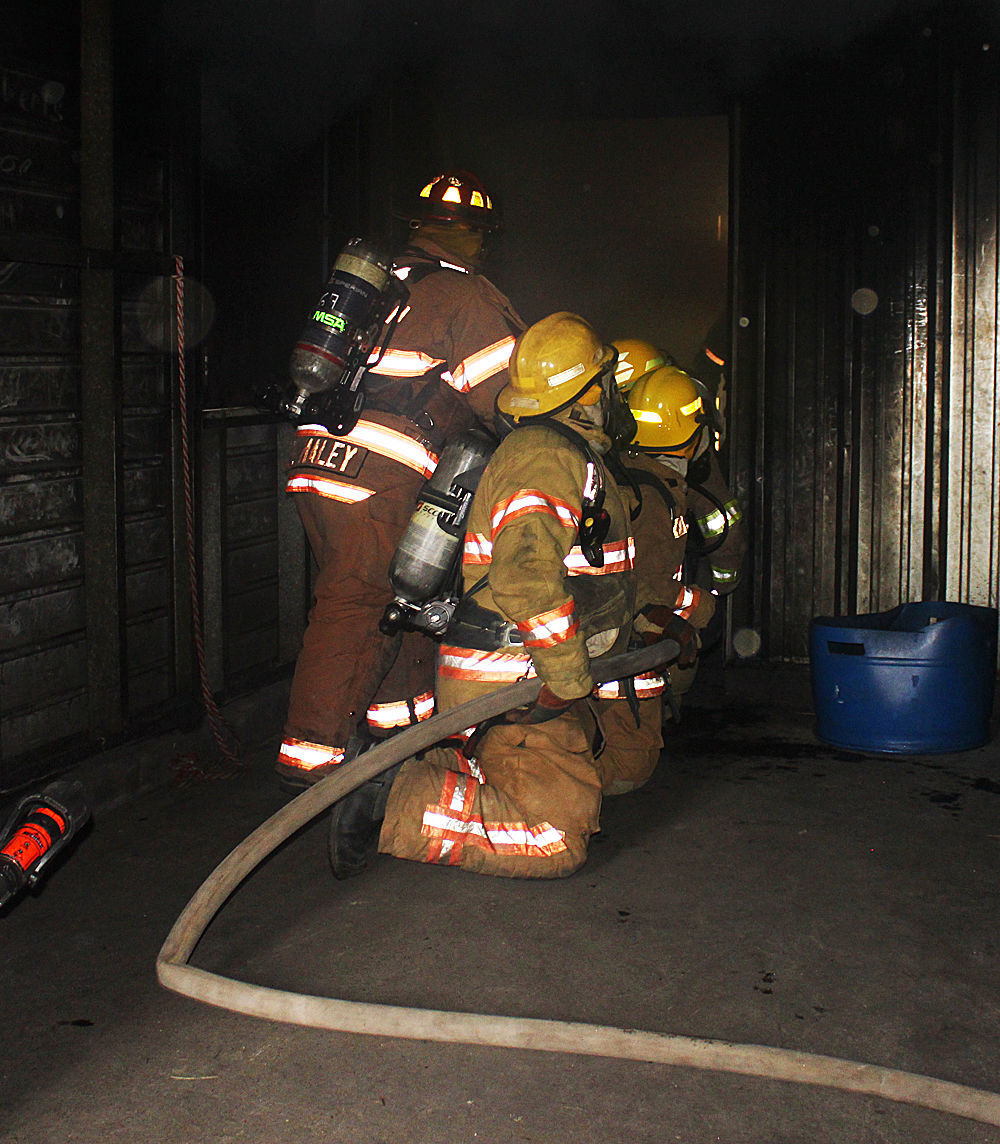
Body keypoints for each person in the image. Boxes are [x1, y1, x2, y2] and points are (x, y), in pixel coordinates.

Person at [328, 312, 638, 879]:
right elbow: (525, 576)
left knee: (571, 785)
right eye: (605, 381)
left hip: (524, 667)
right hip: (516, 674)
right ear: (586, 391)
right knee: (552, 842)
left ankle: (449, 768)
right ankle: (397, 794)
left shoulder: (562, 452)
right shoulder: (547, 456)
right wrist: (565, 682)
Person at [275, 170, 525, 790]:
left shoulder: (382, 286)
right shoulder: (467, 299)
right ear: (479, 238)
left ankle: (397, 744)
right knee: (356, 605)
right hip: (379, 476)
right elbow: (512, 401)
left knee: (400, 605)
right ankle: (311, 766)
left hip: (318, 465)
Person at [626, 363, 745, 704]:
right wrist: (711, 601)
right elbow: (649, 587)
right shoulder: (662, 493)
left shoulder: (612, 471)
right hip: (650, 638)